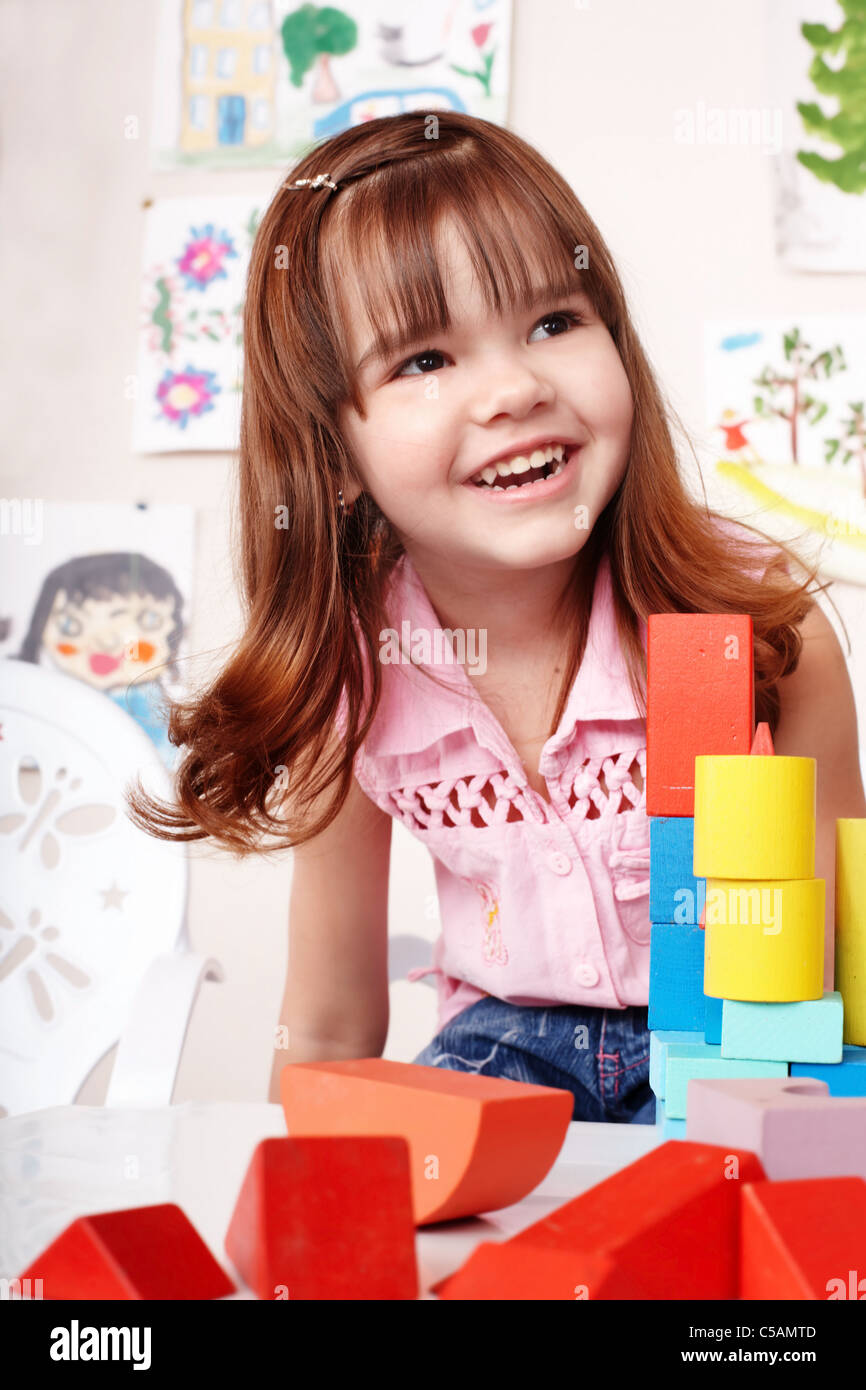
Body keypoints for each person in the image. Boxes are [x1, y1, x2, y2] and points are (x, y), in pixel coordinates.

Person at [126, 112, 866, 1121]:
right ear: (333, 459)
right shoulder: (353, 677)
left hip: (733, 1037)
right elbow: (332, 1020)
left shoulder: (762, 623)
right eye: (423, 361)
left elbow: (829, 960)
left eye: (554, 322)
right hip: (505, 1043)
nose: (514, 388)